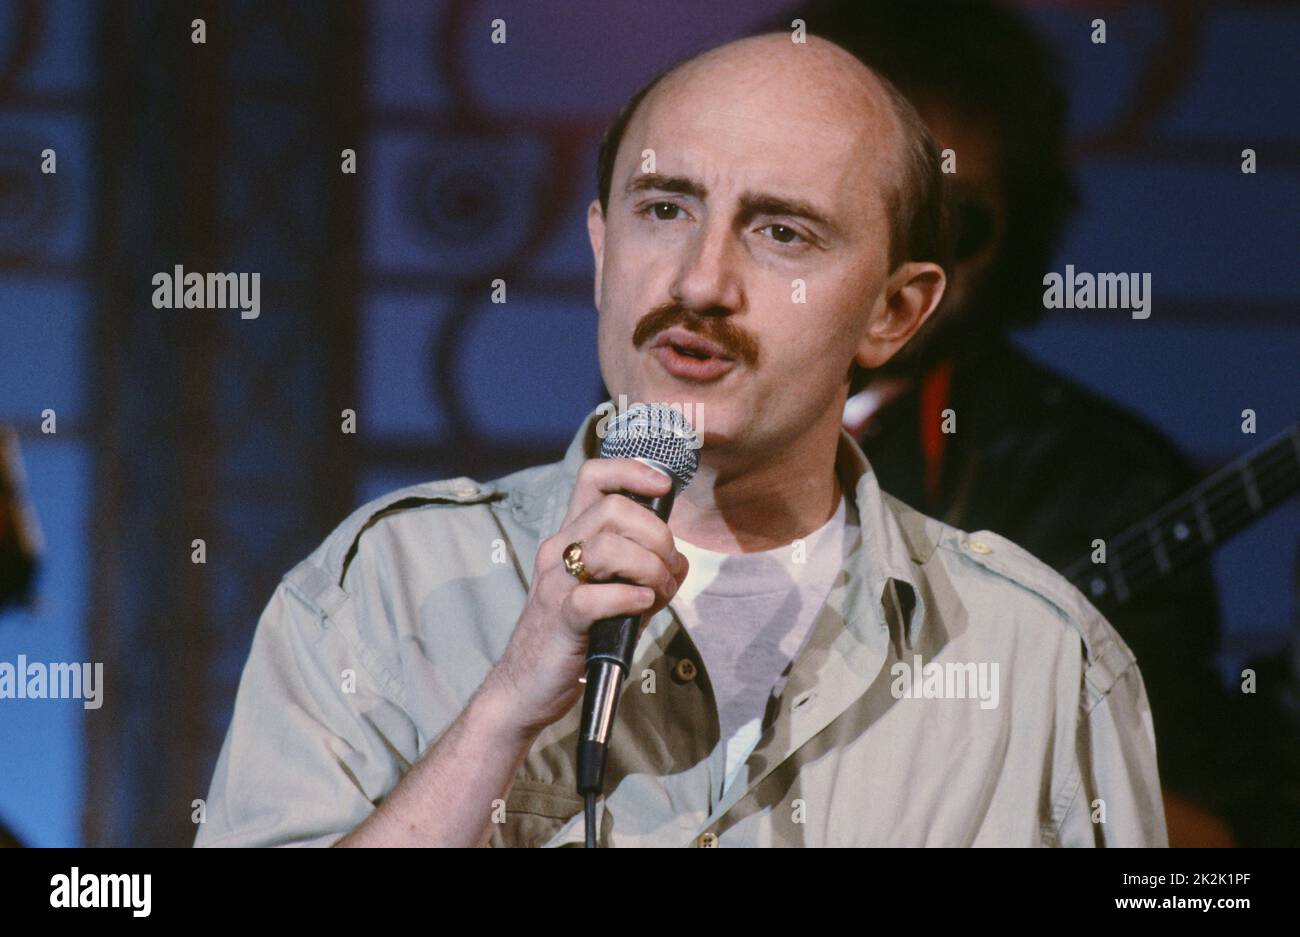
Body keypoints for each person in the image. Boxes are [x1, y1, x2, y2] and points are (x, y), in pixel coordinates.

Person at [195, 32, 1166, 847]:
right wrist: (502, 709)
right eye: (664, 210)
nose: (700, 281)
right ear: (601, 249)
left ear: (895, 310)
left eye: (782, 232)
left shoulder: (1039, 655)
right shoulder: (382, 588)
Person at [787, 0, 1259, 845]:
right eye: (871, 210)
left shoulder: (1101, 471)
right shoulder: (682, 418)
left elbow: (1202, 852)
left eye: (956, 222)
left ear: (1017, 236)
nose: (909, 262)